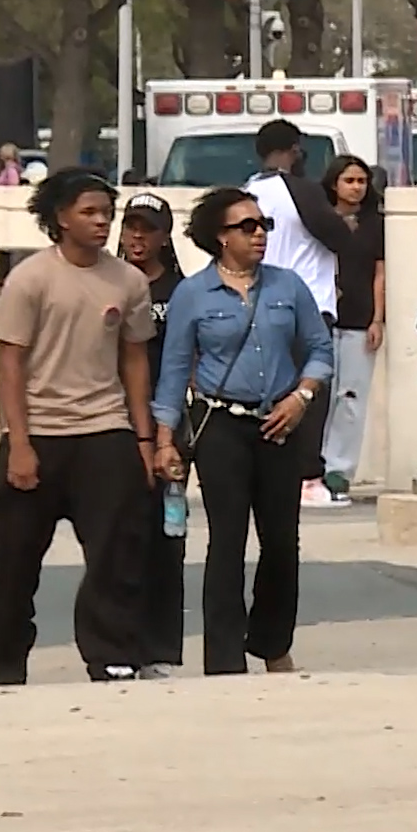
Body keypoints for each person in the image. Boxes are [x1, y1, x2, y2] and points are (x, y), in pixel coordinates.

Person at [0, 168, 158, 686]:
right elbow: (10, 361)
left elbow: (134, 359)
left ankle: (110, 656)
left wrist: (142, 437)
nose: (102, 222)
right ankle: (8, 657)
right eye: (89, 212)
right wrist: (19, 442)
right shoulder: (31, 278)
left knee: (115, 555)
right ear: (59, 217)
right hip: (38, 433)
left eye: (107, 211)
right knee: (12, 562)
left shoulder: (127, 280)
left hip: (104, 431)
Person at [153, 186, 335, 676]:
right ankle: (224, 657)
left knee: (281, 541)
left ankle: (273, 643)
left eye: (264, 226)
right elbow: (173, 371)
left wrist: (302, 397)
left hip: (279, 423)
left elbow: (321, 348)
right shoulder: (193, 294)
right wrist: (165, 438)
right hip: (220, 426)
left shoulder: (288, 286)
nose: (260, 235)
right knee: (227, 540)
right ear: (220, 236)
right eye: (248, 227)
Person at [245, 119, 351, 508]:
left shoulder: (246, 193)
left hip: (260, 304)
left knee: (269, 392)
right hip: (309, 305)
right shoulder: (301, 190)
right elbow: (337, 235)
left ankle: (271, 476)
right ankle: (308, 478)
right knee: (311, 392)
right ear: (294, 150)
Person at [115, 192, 187, 677]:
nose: (138, 237)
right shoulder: (107, 283)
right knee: (118, 538)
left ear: (165, 236)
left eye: (148, 228)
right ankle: (120, 646)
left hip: (169, 430)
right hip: (112, 424)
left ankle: (160, 650)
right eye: (131, 226)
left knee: (167, 535)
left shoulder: (184, 292)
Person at [319, 155, 386, 505]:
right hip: (324, 318)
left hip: (360, 319)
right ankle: (313, 467)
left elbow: (380, 273)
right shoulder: (321, 221)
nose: (357, 187)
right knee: (321, 395)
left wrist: (377, 318)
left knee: (351, 397)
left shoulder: (375, 224)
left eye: (362, 181)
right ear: (334, 184)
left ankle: (340, 471)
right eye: (350, 180)